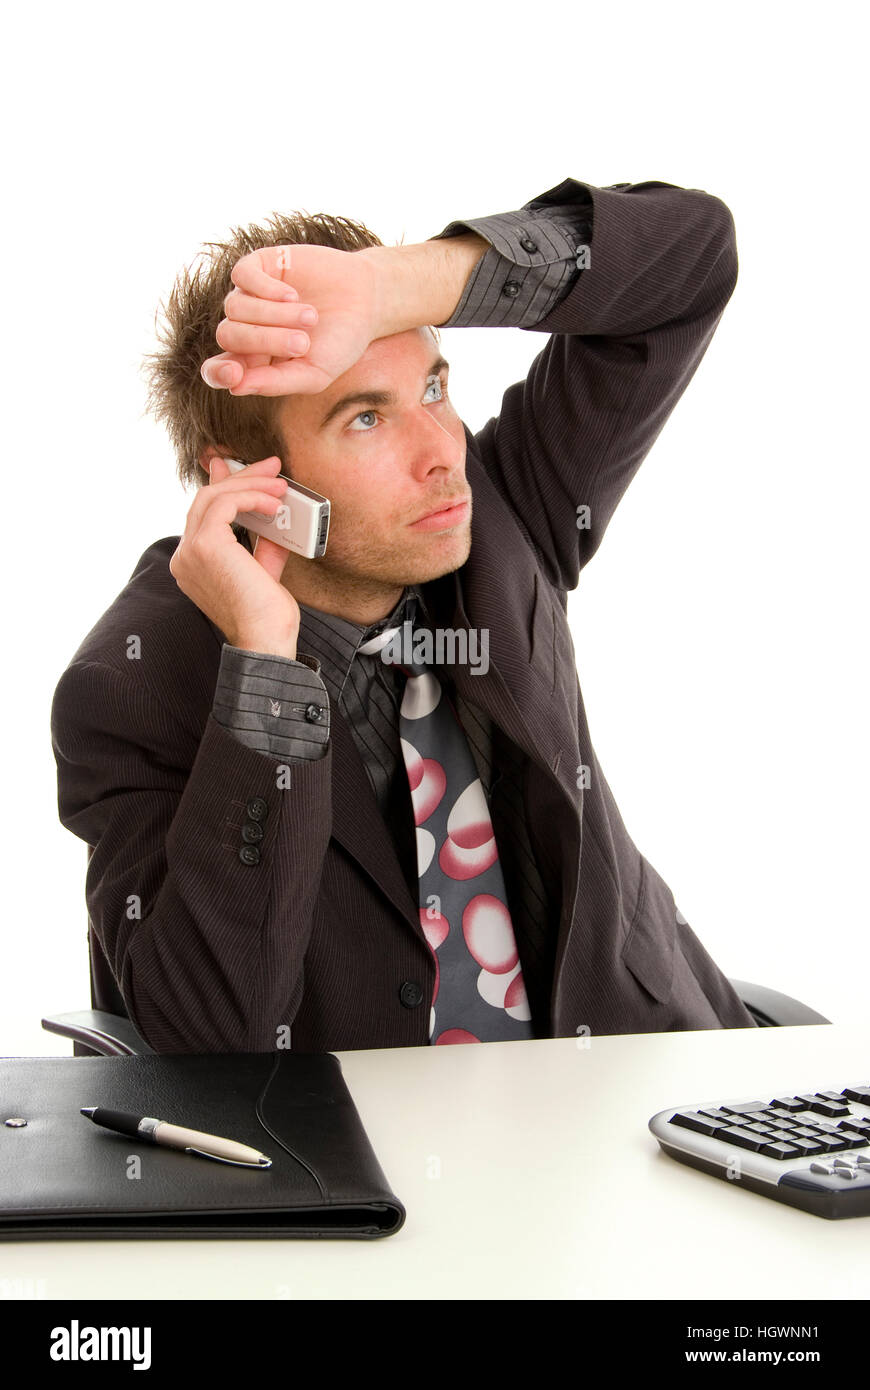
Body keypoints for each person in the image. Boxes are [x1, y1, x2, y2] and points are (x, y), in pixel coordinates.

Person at [50, 176, 757, 1052]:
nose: (440, 455)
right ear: (246, 483)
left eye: (432, 389)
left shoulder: (506, 512)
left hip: (650, 1076)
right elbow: (208, 1043)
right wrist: (266, 669)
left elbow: (690, 258)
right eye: (364, 420)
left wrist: (398, 285)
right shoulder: (130, 686)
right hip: (375, 1164)